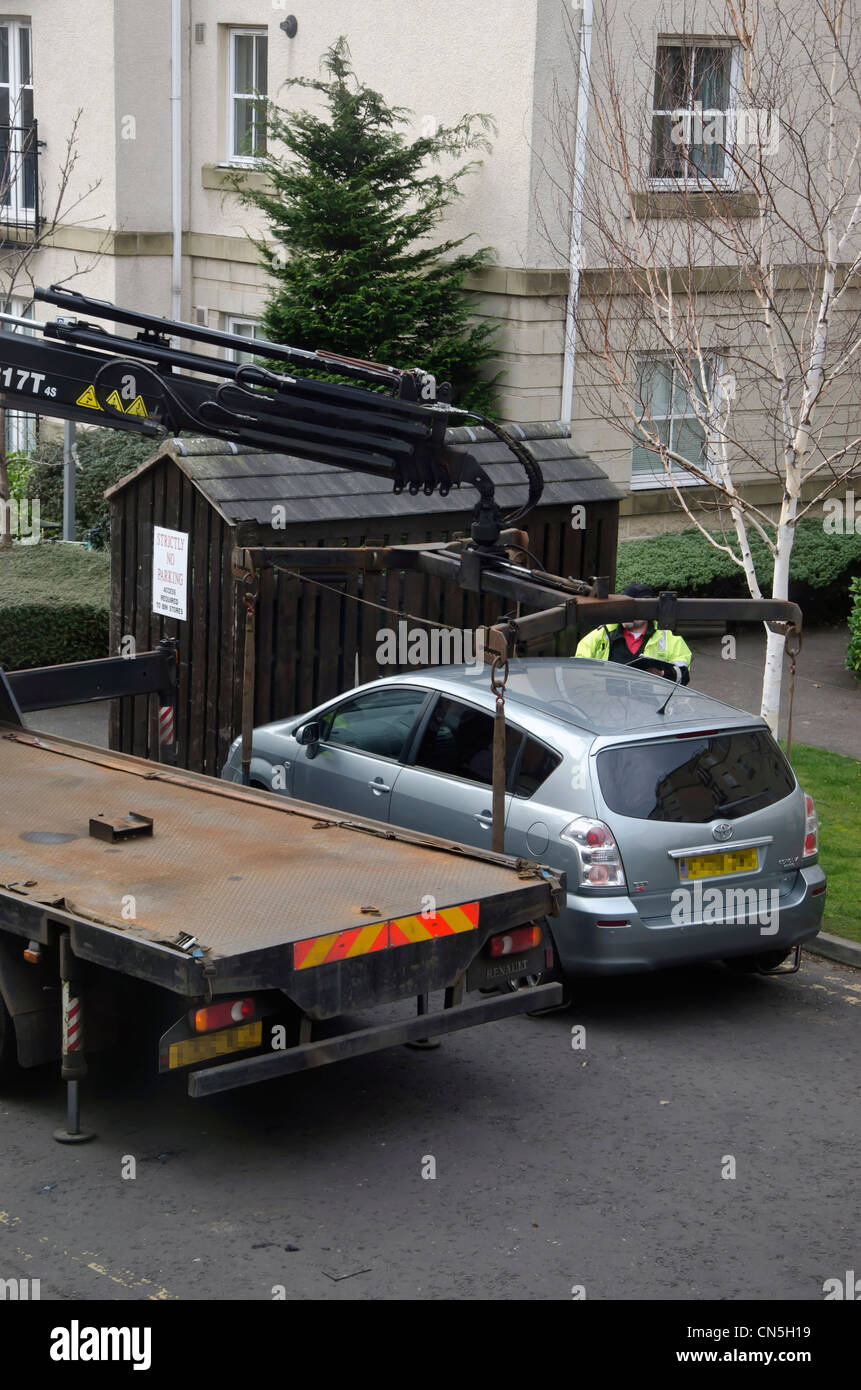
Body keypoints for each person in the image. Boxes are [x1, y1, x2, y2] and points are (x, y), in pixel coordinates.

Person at [574, 582, 692, 684]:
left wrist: (662, 674)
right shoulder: (603, 633)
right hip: (608, 705)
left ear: (647, 611)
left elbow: (683, 676)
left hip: (652, 706)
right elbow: (578, 667)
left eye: (631, 608)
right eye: (623, 607)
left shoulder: (669, 637)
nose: (625, 613)